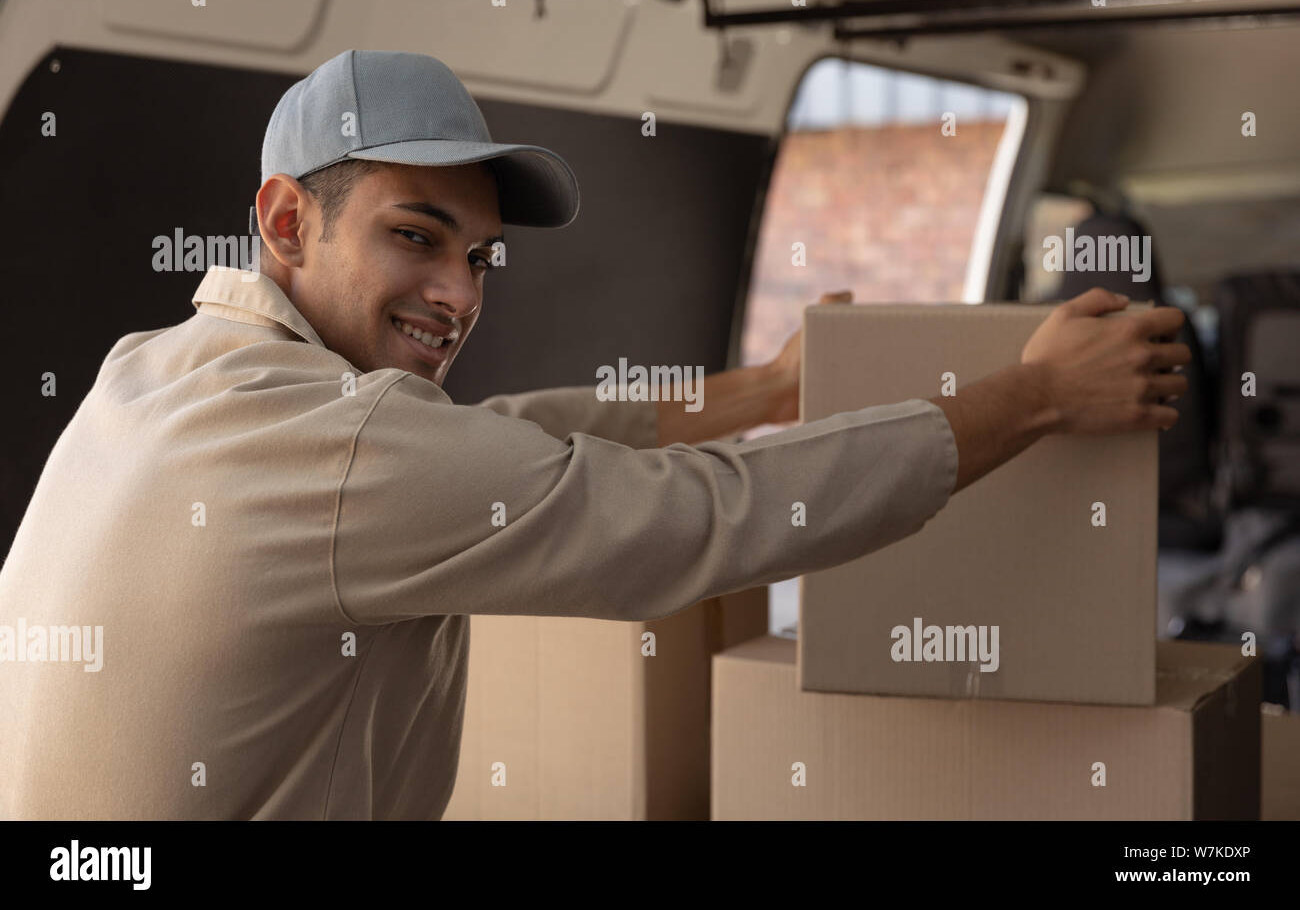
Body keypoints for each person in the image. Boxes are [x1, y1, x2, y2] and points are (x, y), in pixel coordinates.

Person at [0, 50, 1189, 820]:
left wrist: (762, 391)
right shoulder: (346, 453)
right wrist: (1032, 399)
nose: (459, 294)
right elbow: (701, 517)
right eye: (414, 236)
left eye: (478, 258)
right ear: (285, 218)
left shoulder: (153, 375)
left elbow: (499, 444)